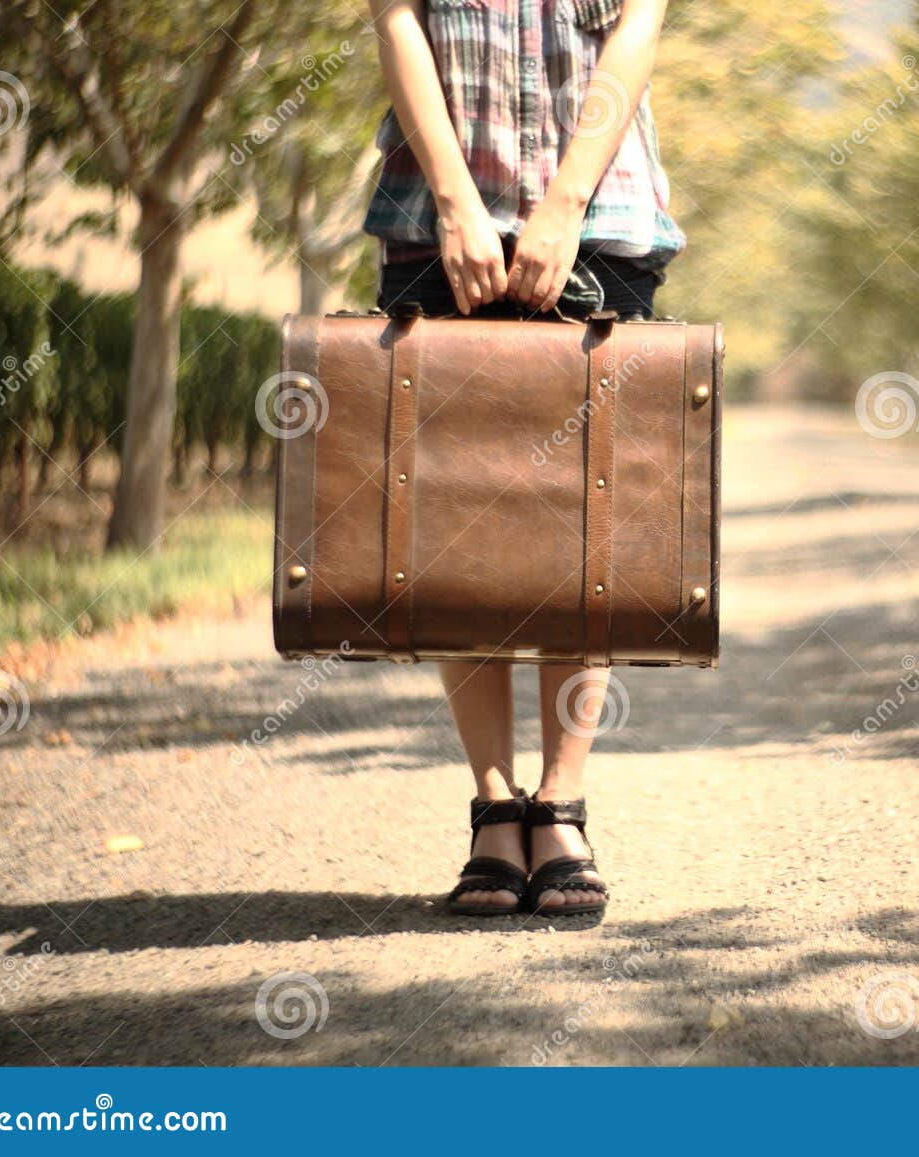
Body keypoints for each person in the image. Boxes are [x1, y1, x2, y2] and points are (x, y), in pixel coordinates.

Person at [363, 0, 684, 917]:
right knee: (458, 523)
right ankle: (495, 808)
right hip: (434, 220)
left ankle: (562, 803)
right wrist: (462, 204)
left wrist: (564, 208)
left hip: (602, 219)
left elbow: (637, 25)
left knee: (588, 519)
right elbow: (396, 20)